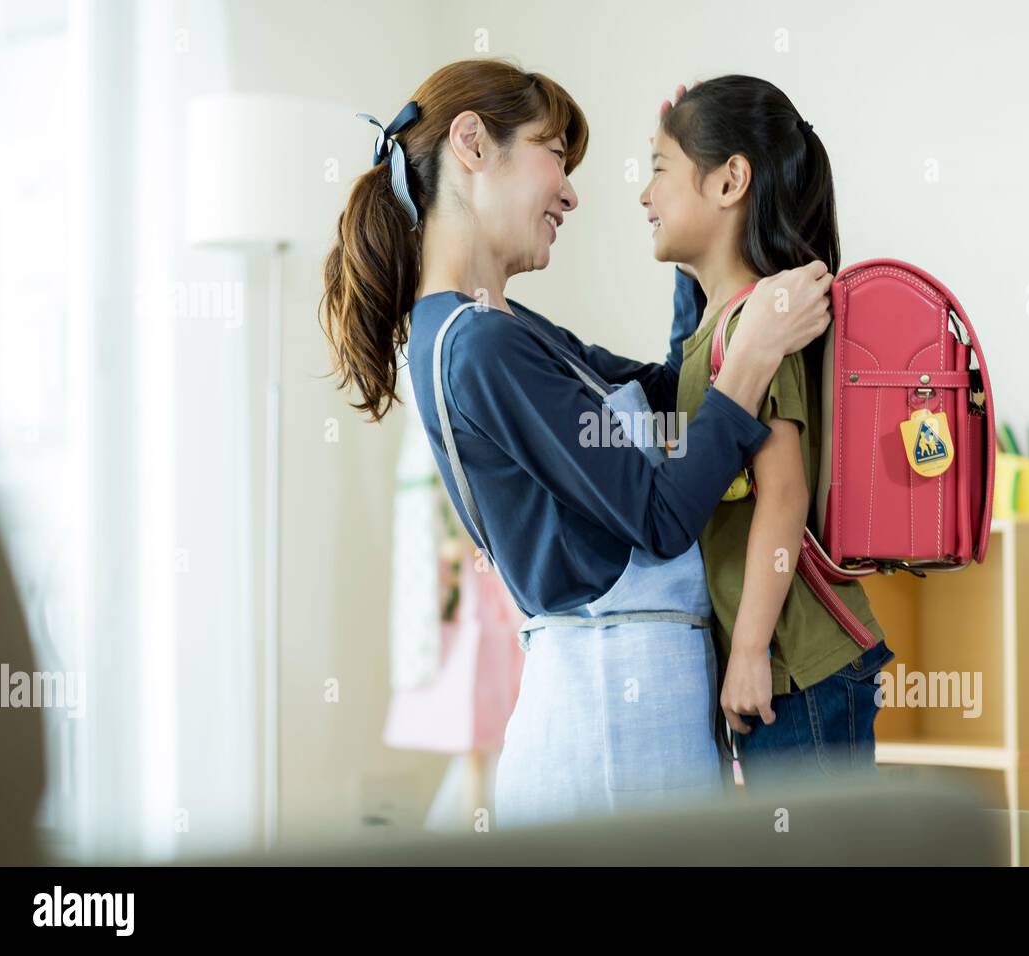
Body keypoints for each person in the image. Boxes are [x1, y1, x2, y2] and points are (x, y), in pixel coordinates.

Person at [319, 59, 832, 827]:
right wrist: (752, 356)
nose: (570, 192)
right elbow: (660, 518)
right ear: (472, 144)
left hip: (625, 715)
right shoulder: (476, 349)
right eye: (555, 154)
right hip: (610, 730)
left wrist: (704, 258)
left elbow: (664, 397)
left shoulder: (502, 332)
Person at [643, 75, 895, 792]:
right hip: (786, 670)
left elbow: (783, 497)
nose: (644, 195)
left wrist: (749, 649)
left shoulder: (762, 320)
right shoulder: (715, 330)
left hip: (801, 666)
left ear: (730, 182)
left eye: (658, 168)